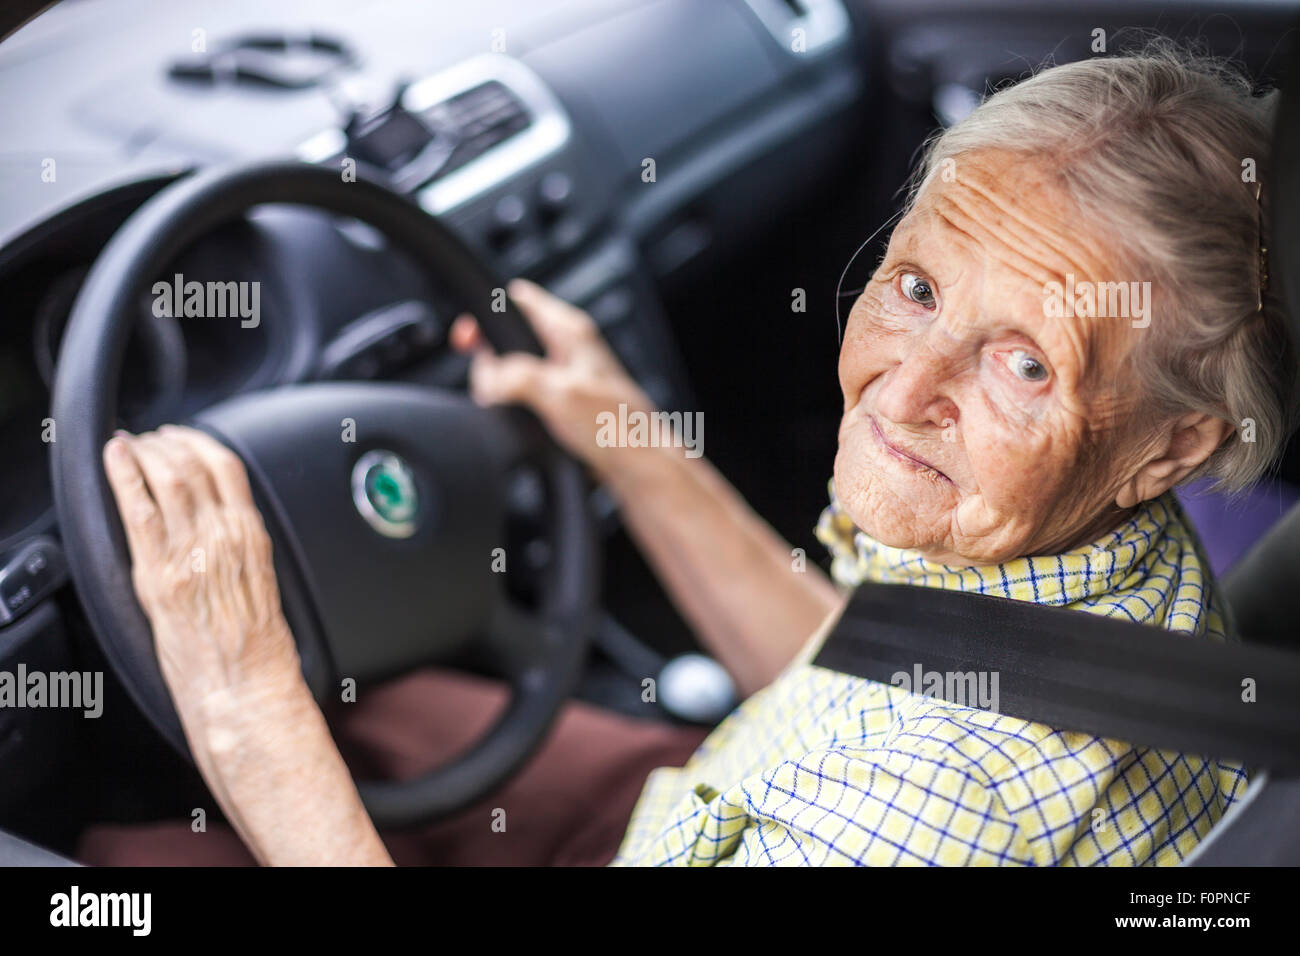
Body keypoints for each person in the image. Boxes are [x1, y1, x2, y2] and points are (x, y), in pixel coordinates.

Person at [79, 43, 1295, 866]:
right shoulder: (1091, 571)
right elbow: (856, 665)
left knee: (124, 850)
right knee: (392, 712)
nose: (905, 390)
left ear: (1173, 443)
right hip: (733, 791)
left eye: (1024, 363)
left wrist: (244, 700)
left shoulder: (920, 810)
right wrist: (621, 432)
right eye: (917, 285)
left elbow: (909, 774)